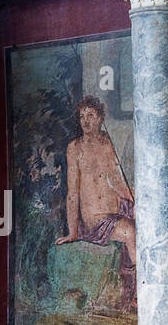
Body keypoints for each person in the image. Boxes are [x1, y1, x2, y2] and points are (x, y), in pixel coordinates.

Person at [55, 96, 136, 306]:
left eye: (90, 115)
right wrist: (73, 232)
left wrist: (134, 198)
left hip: (116, 210)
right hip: (96, 220)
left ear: (100, 118)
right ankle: (146, 289)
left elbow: (116, 181)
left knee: (146, 218)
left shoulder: (109, 143)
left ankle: (133, 294)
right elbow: (72, 193)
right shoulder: (75, 148)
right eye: (82, 116)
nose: (86, 120)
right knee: (131, 232)